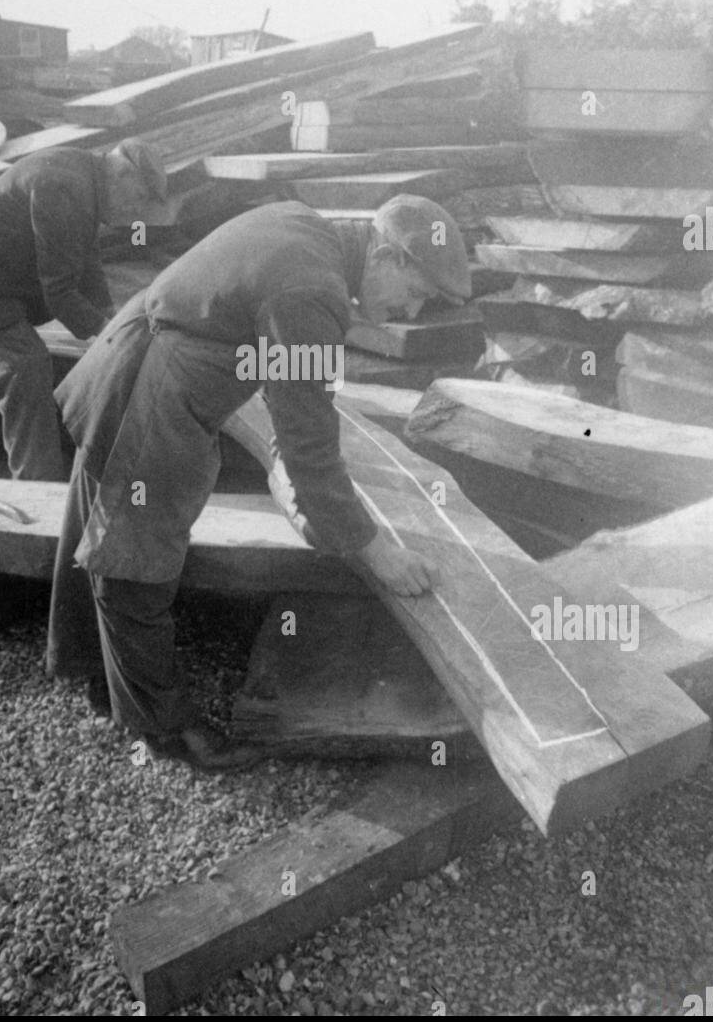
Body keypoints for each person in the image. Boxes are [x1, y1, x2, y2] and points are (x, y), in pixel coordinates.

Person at [46, 193, 472, 769]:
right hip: (154, 392)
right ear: (388, 258)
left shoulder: (306, 223)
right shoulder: (311, 291)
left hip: (124, 358)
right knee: (134, 562)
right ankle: (162, 729)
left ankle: (83, 664)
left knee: (98, 506)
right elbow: (309, 442)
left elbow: (285, 387)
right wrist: (371, 548)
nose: (410, 313)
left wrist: (291, 461)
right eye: (415, 292)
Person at [0, 140, 166, 481]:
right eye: (136, 197)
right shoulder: (66, 187)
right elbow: (59, 291)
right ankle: (39, 490)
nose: (134, 211)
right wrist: (109, 334)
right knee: (26, 366)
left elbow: (85, 256)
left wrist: (110, 313)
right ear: (122, 172)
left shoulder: (84, 174)